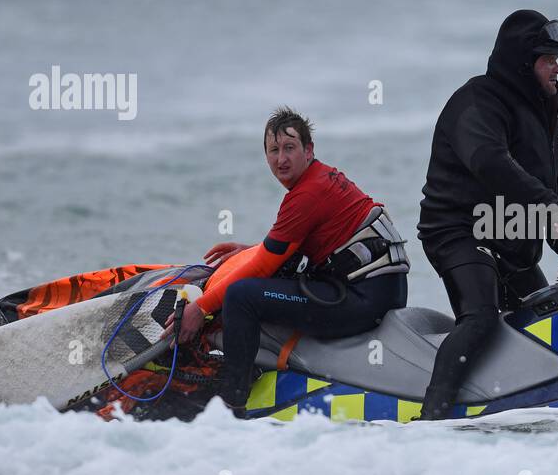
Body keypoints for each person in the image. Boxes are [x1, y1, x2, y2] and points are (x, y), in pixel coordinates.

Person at [168, 107, 409, 412]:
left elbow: (264, 265)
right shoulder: (322, 177)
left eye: (290, 148)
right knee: (273, 275)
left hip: (363, 300)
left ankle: (231, 404)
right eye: (273, 150)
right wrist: (252, 249)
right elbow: (287, 248)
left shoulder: (308, 194)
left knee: (242, 296)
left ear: (308, 151)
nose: (281, 159)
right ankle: (256, 362)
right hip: (377, 289)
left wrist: (199, 308)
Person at [416, 10, 558, 420]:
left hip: (509, 238)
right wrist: (550, 207)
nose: (557, 67)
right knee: (482, 320)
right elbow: (491, 163)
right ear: (524, 64)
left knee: (543, 324)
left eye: (557, 59)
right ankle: (430, 424)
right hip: (458, 231)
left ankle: (515, 411)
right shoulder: (478, 103)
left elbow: (550, 177)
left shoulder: (543, 109)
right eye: (548, 59)